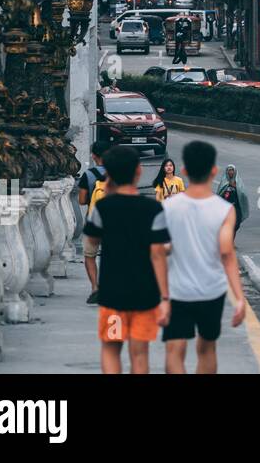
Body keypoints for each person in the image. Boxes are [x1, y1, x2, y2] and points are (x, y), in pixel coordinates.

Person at [81, 144, 171, 375]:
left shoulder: (103, 208)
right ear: (139, 171)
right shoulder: (153, 209)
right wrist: (164, 297)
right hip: (145, 294)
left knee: (111, 348)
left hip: (113, 294)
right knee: (140, 353)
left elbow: (91, 240)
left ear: (108, 174)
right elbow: (158, 253)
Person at [161, 140, 247, 374]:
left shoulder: (169, 208)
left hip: (178, 291)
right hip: (212, 291)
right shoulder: (225, 210)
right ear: (214, 171)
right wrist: (239, 298)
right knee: (207, 348)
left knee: (174, 350)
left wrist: (163, 296)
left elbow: (159, 252)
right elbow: (227, 254)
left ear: (185, 171)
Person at [78, 138, 113, 305]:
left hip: (92, 222)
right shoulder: (116, 173)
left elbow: (82, 200)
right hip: (112, 222)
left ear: (93, 156)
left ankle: (95, 287)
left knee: (90, 255)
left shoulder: (88, 175)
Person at [215, 164, 249, 235]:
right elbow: (219, 194)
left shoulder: (238, 183)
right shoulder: (224, 183)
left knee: (236, 224)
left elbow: (243, 194)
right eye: (229, 170)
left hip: (236, 207)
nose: (231, 172)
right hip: (226, 208)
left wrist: (237, 188)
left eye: (232, 170)